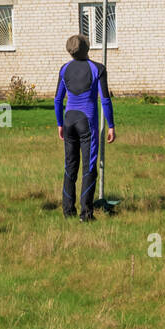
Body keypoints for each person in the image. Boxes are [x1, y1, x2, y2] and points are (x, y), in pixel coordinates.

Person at [54, 33, 116, 223]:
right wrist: (111, 125)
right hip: (87, 122)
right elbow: (105, 100)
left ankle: (68, 211)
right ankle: (86, 214)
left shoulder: (64, 69)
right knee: (89, 167)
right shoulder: (98, 68)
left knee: (70, 165)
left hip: (69, 120)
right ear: (87, 48)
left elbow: (57, 100)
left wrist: (59, 124)